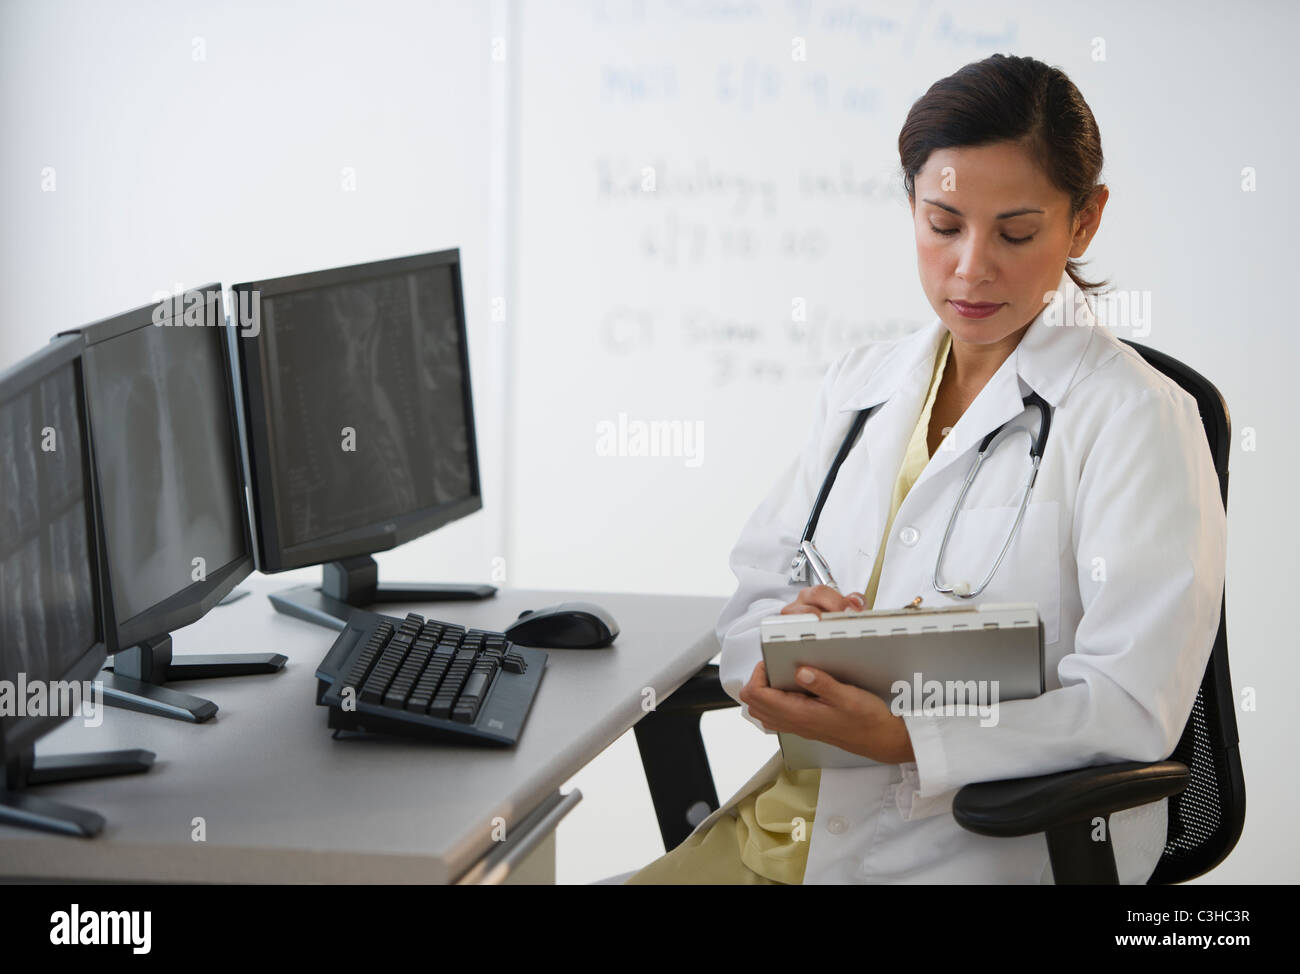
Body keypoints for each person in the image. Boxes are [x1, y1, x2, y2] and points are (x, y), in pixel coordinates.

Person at [625, 53, 1226, 885]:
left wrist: (908, 738)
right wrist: (775, 650)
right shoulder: (863, 388)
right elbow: (753, 599)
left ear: (1083, 223)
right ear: (910, 203)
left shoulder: (1137, 419)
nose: (972, 267)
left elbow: (1130, 709)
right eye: (943, 224)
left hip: (962, 853)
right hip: (783, 828)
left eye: (1016, 232)